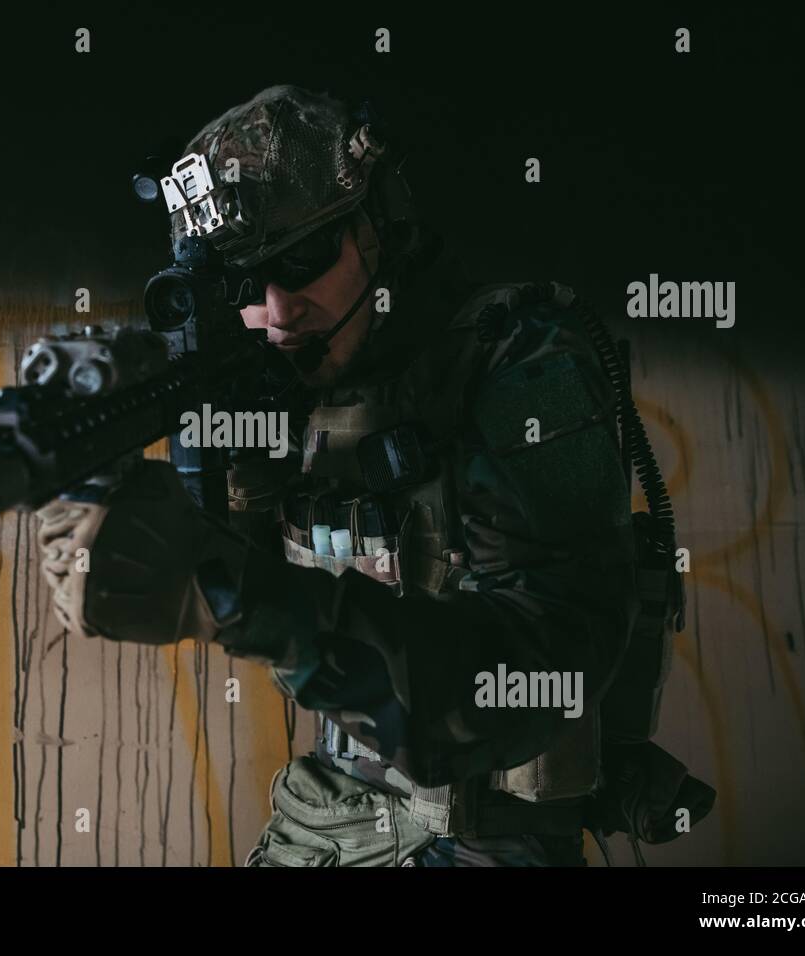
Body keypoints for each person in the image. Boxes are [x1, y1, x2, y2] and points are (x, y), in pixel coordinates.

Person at [36, 84, 710, 866]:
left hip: (488, 825)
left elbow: (545, 670)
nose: (282, 310)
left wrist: (234, 592)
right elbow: (235, 562)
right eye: (248, 288)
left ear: (376, 226)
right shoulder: (273, 377)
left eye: (304, 260)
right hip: (336, 804)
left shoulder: (517, 357)